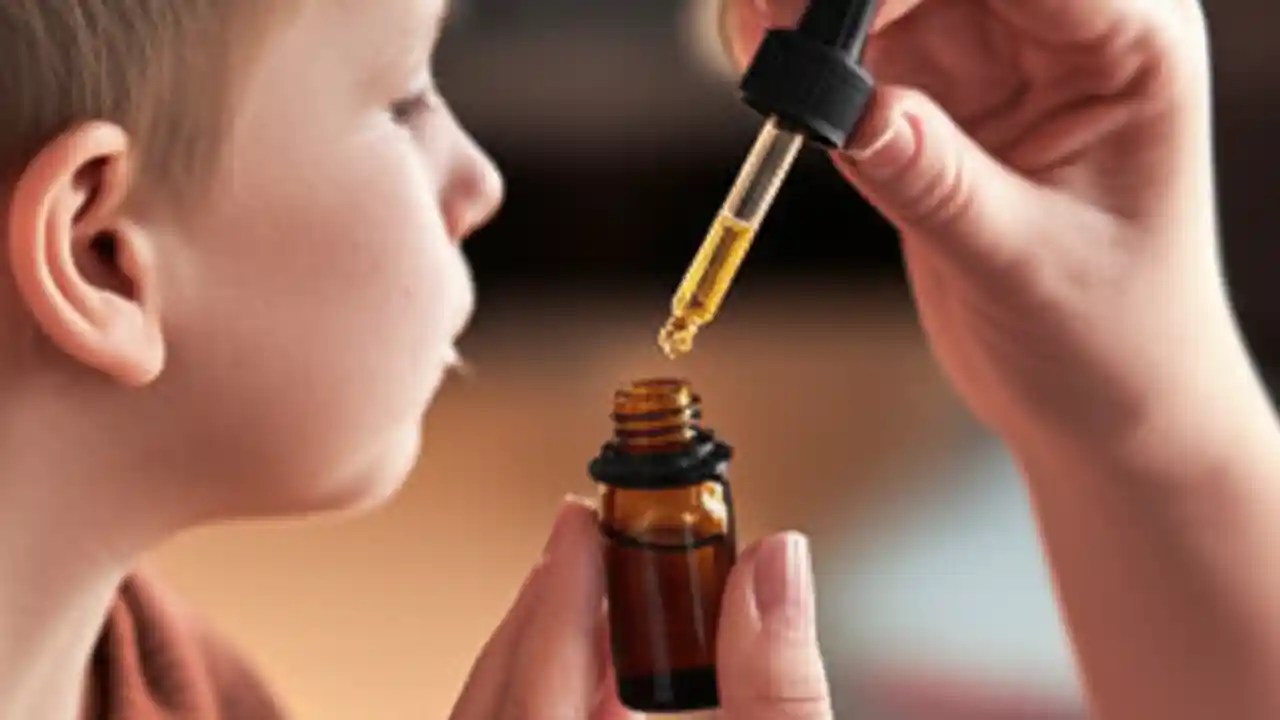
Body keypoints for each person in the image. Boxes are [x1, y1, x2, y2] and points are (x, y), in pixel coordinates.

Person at [0, 0, 1270, 718]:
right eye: (403, 100)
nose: (479, 181)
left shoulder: (167, 687)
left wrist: (1140, 415)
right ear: (104, 252)